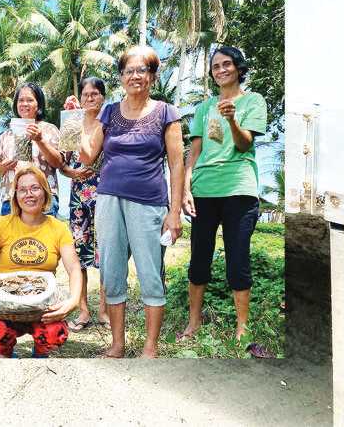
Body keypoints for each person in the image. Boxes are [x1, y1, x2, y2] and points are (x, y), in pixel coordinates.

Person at [79, 45, 184, 359]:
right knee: (111, 273)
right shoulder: (109, 111)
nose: (136, 76)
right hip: (109, 200)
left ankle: (150, 349)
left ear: (152, 75)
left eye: (143, 70)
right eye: (129, 71)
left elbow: (177, 164)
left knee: (151, 274)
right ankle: (117, 345)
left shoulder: (167, 112)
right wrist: (79, 120)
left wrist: (174, 213)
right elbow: (87, 154)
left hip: (149, 203)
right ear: (121, 77)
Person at [180, 45, 267, 343]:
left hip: (239, 189)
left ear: (238, 67)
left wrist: (231, 119)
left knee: (238, 259)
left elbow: (244, 145)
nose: (221, 70)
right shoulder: (204, 108)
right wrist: (185, 189)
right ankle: (194, 322)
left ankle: (242, 327)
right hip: (204, 190)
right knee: (199, 259)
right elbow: (195, 152)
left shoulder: (253, 101)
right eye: (216, 67)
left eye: (226, 64)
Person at [0, 165, 82, 358]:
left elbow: (74, 267)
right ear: (16, 195)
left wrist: (74, 300)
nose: (29, 194)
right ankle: (9, 358)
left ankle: (40, 356)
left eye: (35, 188)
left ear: (45, 192)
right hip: (6, 307)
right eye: (23, 189)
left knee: (55, 332)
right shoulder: (1, 225)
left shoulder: (58, 228)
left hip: (42, 307)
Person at [59, 78, 109, 331]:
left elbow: (92, 155)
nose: (90, 98)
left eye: (95, 94)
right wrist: (70, 172)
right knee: (79, 254)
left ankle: (104, 310)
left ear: (103, 97)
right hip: (78, 194)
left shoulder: (108, 122)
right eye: (86, 94)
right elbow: (63, 162)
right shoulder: (72, 123)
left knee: (105, 253)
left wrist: (75, 121)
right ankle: (83, 311)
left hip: (105, 192)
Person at [0, 82, 63, 217]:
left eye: (30, 100)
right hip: (11, 199)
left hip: (44, 197)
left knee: (43, 239)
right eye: (21, 100)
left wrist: (40, 140)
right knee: (13, 239)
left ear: (38, 104)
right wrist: (2, 166)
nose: (24, 104)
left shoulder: (49, 129)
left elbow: (59, 163)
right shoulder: (7, 135)